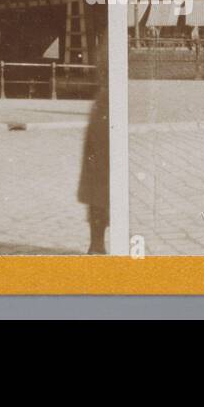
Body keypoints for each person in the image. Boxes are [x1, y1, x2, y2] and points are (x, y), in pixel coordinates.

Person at [77, 41, 109, 254]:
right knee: (100, 177)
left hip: (105, 105)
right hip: (107, 106)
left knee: (99, 177)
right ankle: (97, 244)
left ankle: (97, 243)